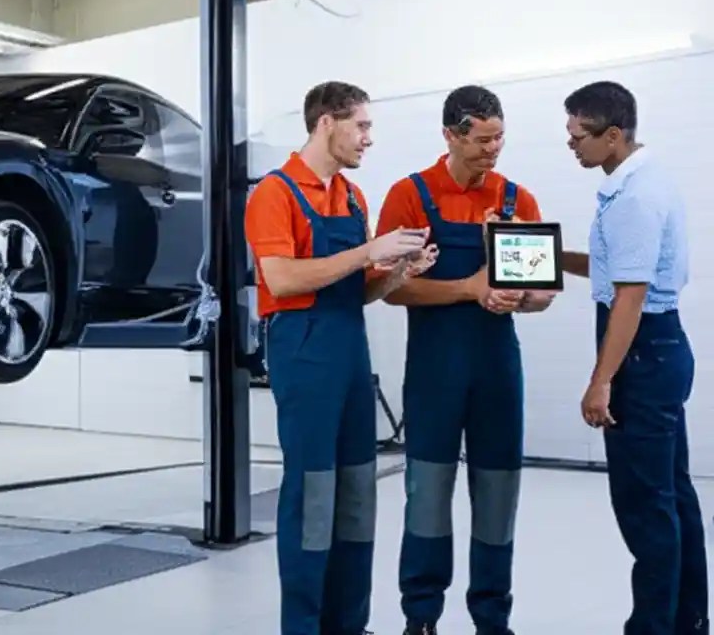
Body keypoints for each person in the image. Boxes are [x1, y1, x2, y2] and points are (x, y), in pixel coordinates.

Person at [246, 80, 437, 635]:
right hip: (303, 347)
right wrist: (368, 251)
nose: (368, 139)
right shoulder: (274, 194)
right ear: (326, 122)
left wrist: (397, 272)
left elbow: (359, 288)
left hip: (350, 348)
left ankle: (347, 626)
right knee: (312, 493)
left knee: (356, 490)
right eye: (362, 125)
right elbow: (279, 279)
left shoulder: (351, 197)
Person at [374, 85, 556, 635]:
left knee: (498, 493)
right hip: (435, 370)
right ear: (450, 134)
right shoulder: (408, 196)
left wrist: (517, 296)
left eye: (499, 138)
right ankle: (421, 616)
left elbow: (542, 292)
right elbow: (387, 289)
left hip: (498, 366)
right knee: (428, 492)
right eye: (481, 140)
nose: (493, 150)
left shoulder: (515, 199)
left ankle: (492, 618)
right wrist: (469, 288)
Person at [558, 81, 707, 635]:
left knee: (646, 506)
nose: (571, 145)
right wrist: (536, 249)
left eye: (578, 136)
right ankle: (687, 621)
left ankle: (653, 626)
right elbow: (609, 268)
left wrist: (602, 382)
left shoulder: (636, 197)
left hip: (642, 355)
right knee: (672, 496)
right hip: (659, 350)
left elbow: (630, 296)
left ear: (613, 135)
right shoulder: (638, 182)